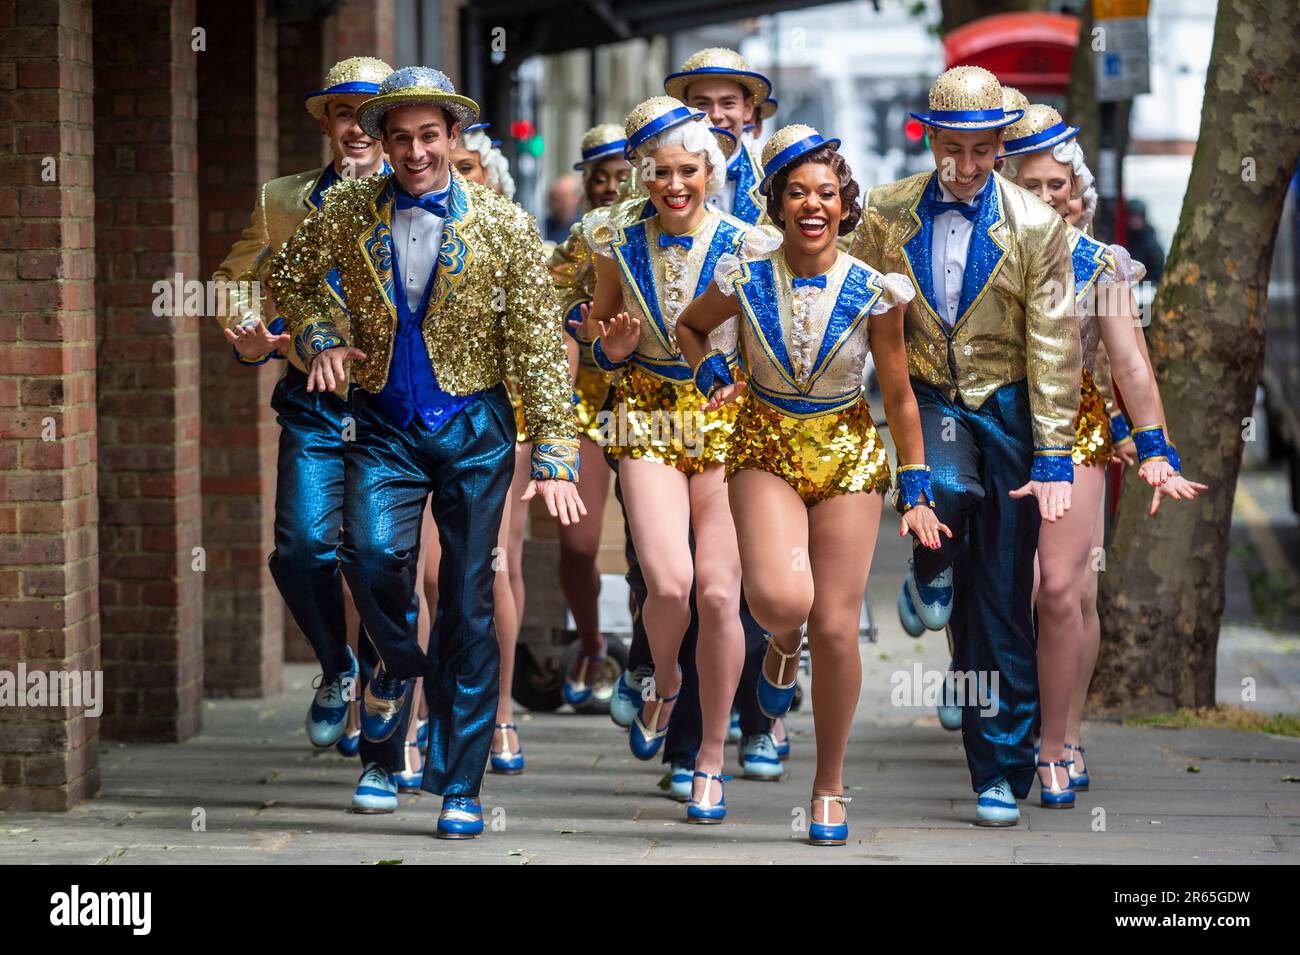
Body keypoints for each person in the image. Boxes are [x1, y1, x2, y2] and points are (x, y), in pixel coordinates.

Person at [270, 66, 583, 840]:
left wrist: (554, 452)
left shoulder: (504, 225)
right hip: (383, 423)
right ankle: (388, 687)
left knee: (469, 603)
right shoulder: (347, 209)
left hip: (475, 429)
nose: (414, 151)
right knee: (373, 559)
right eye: (399, 137)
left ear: (454, 136)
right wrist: (319, 336)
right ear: (382, 142)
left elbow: (539, 345)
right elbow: (290, 278)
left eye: (428, 135)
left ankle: (458, 780)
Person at [677, 125, 948, 845]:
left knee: (836, 625)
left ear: (845, 203)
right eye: (796, 192)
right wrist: (708, 369)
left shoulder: (876, 291)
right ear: (776, 203)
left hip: (849, 453)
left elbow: (899, 394)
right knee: (783, 598)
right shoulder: (745, 275)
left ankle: (829, 783)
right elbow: (691, 326)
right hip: (765, 443)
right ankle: (779, 643)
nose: (812, 205)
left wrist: (916, 485)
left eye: (826, 192)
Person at [851, 66, 1081, 827]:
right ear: (931, 139)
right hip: (931, 402)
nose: (969, 165)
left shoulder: (1038, 227)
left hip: (1008, 407)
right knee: (945, 488)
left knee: (1002, 602)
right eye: (955, 148)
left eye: (984, 150)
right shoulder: (885, 213)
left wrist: (1053, 458)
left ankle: (1001, 761)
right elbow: (840, 287)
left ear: (1002, 146)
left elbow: (1053, 346)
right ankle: (926, 569)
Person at [212, 56, 416, 812]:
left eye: (372, 115)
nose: (357, 128)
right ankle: (336, 666)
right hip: (314, 397)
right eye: (343, 114)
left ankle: (383, 756)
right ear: (327, 125)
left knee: (383, 562)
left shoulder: (422, 196)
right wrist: (249, 336)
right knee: (300, 548)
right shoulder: (283, 198)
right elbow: (235, 281)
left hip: (398, 408)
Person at [1000, 106, 1206, 802]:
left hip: (1079, 432)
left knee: (1061, 588)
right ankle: (1008, 718)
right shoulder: (983, 257)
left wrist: (1156, 450)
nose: (1049, 196)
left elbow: (1133, 364)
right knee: (999, 587)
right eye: (1031, 184)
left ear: (1077, 191)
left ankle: (1058, 740)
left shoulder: (1102, 264)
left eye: (1059, 184)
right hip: (998, 432)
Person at [581, 96, 774, 822]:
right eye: (660, 172)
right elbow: (598, 336)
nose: (674, 185)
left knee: (722, 596)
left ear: (711, 172)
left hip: (725, 426)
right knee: (669, 584)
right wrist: (610, 348)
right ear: (643, 176)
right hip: (648, 418)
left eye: (688, 171)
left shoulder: (749, 245)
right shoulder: (613, 238)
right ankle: (664, 684)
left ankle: (711, 758)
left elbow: (769, 345)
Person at [666, 45, 789, 780]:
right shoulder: (664, 175)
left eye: (729, 102)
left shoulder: (777, 184)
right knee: (671, 579)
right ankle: (683, 725)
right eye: (702, 102)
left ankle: (757, 720)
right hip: (664, 401)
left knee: (746, 571)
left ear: (751, 111)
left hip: (757, 396)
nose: (717, 114)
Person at [548, 123, 633, 712]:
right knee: (579, 545)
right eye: (597, 178)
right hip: (589, 406)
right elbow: (544, 300)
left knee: (653, 556)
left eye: (620, 176)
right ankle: (592, 643)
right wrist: (575, 314)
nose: (608, 188)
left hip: (659, 408)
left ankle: (652, 660)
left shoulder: (664, 228)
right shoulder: (582, 239)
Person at [544, 172, 584, 244]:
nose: (555, 204)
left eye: (561, 199)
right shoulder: (543, 226)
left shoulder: (583, 229)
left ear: (575, 199)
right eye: (553, 198)